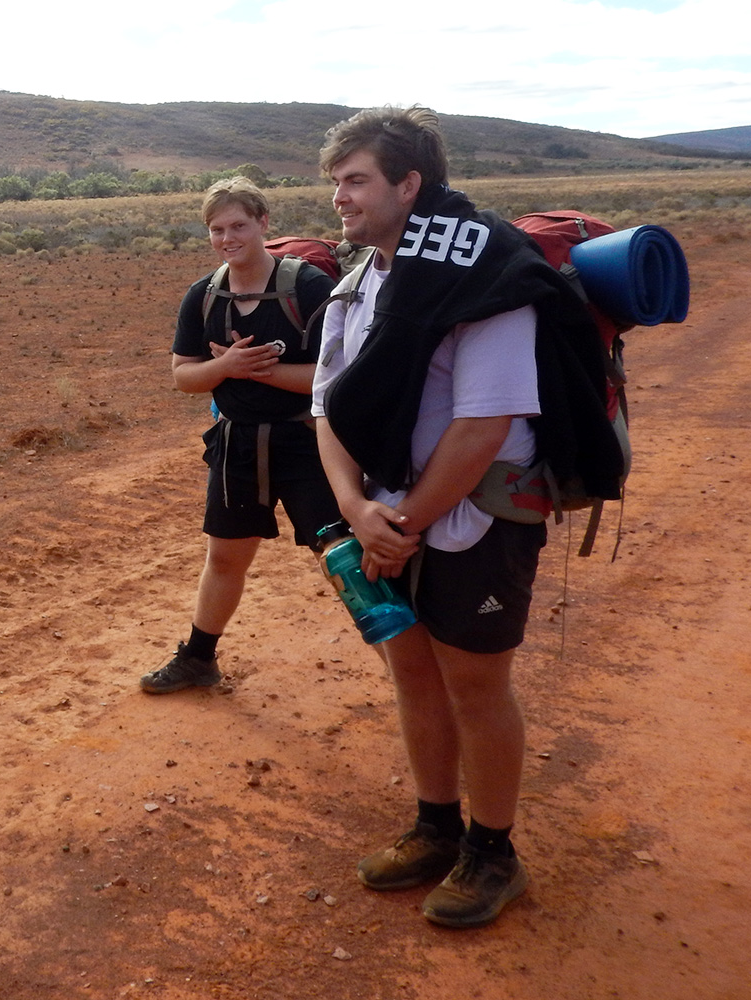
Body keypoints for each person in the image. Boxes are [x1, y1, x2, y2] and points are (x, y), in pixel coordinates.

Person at [310, 107, 623, 927]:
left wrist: (403, 522)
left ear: (409, 183)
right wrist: (353, 511)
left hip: (471, 519)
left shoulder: (487, 279)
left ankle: (494, 851)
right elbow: (325, 410)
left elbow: (485, 424)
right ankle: (435, 825)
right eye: (335, 181)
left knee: (476, 684)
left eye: (357, 180)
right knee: (411, 672)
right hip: (384, 516)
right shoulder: (356, 282)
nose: (339, 197)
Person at [140, 178, 341, 693]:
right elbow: (184, 376)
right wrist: (227, 366)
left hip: (309, 444)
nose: (228, 238)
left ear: (264, 223)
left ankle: (407, 669)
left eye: (238, 226)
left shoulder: (310, 288)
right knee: (225, 557)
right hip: (237, 444)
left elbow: (335, 376)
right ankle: (199, 659)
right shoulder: (205, 296)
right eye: (217, 229)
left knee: (343, 556)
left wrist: (254, 372)